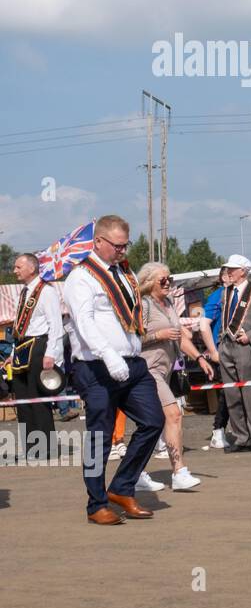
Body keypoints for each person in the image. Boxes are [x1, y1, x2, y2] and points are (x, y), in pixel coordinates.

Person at [63, 215, 165, 524]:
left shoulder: (124, 272)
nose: (122, 251)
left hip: (133, 364)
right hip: (97, 367)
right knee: (100, 438)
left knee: (153, 421)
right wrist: (109, 356)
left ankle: (121, 487)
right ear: (98, 242)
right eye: (117, 246)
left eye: (125, 244)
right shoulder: (81, 277)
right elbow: (85, 322)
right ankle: (96, 505)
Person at [137, 262, 207, 490]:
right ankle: (179, 472)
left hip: (165, 371)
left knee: (152, 423)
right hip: (147, 370)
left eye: (170, 279)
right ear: (149, 283)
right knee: (174, 414)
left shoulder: (167, 304)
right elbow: (129, 340)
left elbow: (178, 337)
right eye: (163, 280)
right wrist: (159, 334)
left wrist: (200, 357)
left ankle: (136, 473)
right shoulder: (142, 306)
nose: (168, 283)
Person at [7, 252, 64, 459]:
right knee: (22, 398)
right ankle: (30, 447)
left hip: (39, 346)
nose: (14, 271)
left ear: (31, 268)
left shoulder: (46, 291)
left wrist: (51, 353)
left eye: (18, 267)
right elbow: (20, 327)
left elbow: (55, 325)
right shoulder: (24, 292)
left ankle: (45, 447)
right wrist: (13, 353)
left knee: (38, 397)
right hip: (23, 346)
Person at [215, 254, 251, 454]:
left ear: (243, 271)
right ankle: (241, 436)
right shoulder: (225, 293)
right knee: (232, 394)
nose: (228, 272)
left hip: (246, 348)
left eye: (232, 269)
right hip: (227, 346)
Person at [200, 267, 232, 448]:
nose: (230, 277)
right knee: (226, 393)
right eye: (226, 274)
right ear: (222, 277)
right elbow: (204, 323)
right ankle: (218, 430)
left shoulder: (242, 294)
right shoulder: (217, 296)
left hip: (238, 351)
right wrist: (213, 351)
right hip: (221, 351)